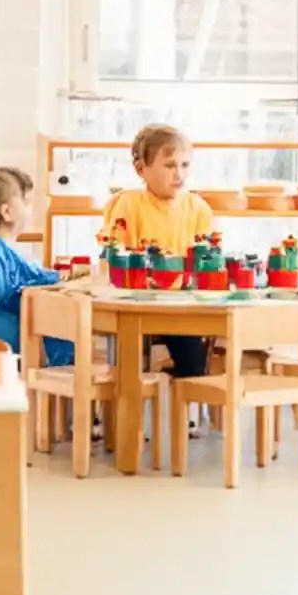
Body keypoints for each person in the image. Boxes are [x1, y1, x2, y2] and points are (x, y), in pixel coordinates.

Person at [104, 124, 213, 434]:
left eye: (184, 165)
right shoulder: (128, 204)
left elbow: (204, 258)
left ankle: (189, 409)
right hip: (133, 305)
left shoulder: (197, 208)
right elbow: (115, 251)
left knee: (191, 349)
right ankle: (117, 413)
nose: (178, 173)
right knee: (125, 354)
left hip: (178, 306)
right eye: (168, 165)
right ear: (141, 168)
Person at [0, 167, 73, 365]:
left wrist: (55, 277)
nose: (29, 208)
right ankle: (61, 373)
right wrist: (28, 293)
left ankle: (61, 369)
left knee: (58, 324)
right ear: (7, 212)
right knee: (59, 326)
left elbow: (29, 273)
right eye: (25, 201)